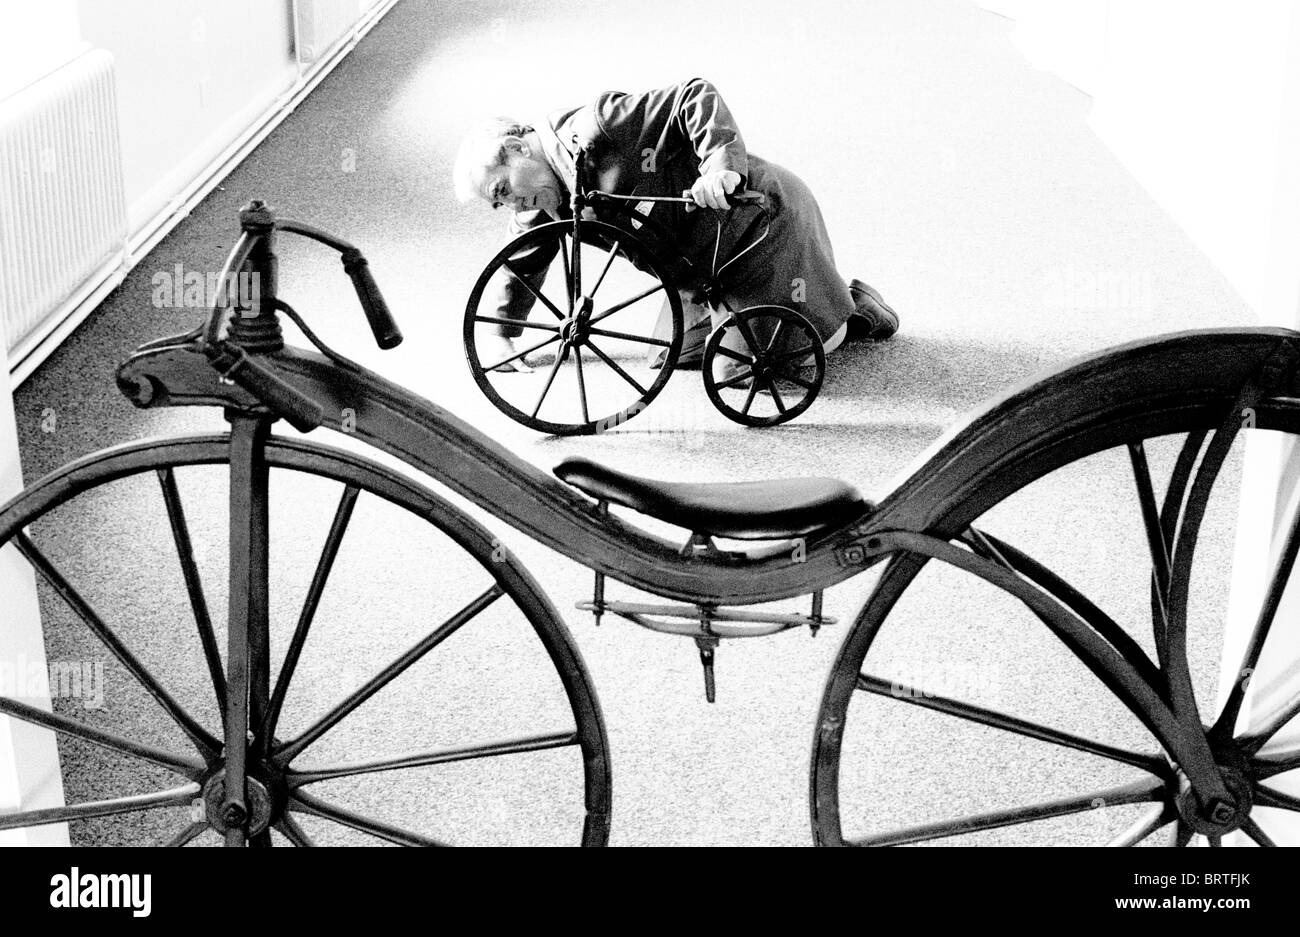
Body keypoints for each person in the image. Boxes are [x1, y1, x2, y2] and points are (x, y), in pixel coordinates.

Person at [453, 77, 898, 375]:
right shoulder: (541, 198)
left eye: (502, 190)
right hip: (694, 267)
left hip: (756, 226)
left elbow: (693, 95)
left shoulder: (601, 125)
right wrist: (501, 334)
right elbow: (521, 258)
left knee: (742, 369)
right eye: (500, 203)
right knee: (673, 354)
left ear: (517, 149)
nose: (510, 205)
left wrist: (719, 168)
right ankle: (780, 308)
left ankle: (850, 308)